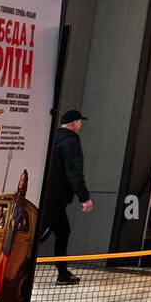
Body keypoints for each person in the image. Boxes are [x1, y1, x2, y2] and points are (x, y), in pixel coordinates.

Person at [42, 109, 93, 285]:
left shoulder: (53, 137)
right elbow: (74, 171)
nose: (81, 125)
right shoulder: (71, 141)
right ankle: (62, 273)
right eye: (80, 121)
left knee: (61, 231)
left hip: (46, 194)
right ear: (74, 123)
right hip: (57, 196)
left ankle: (63, 272)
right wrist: (84, 197)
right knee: (46, 234)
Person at [0, 169, 30, 302]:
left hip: (11, 235)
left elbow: (18, 216)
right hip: (8, 233)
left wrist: (14, 222)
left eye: (23, 180)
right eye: (20, 179)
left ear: (26, 183)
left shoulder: (21, 198)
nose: (21, 181)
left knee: (1, 267)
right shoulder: (17, 196)